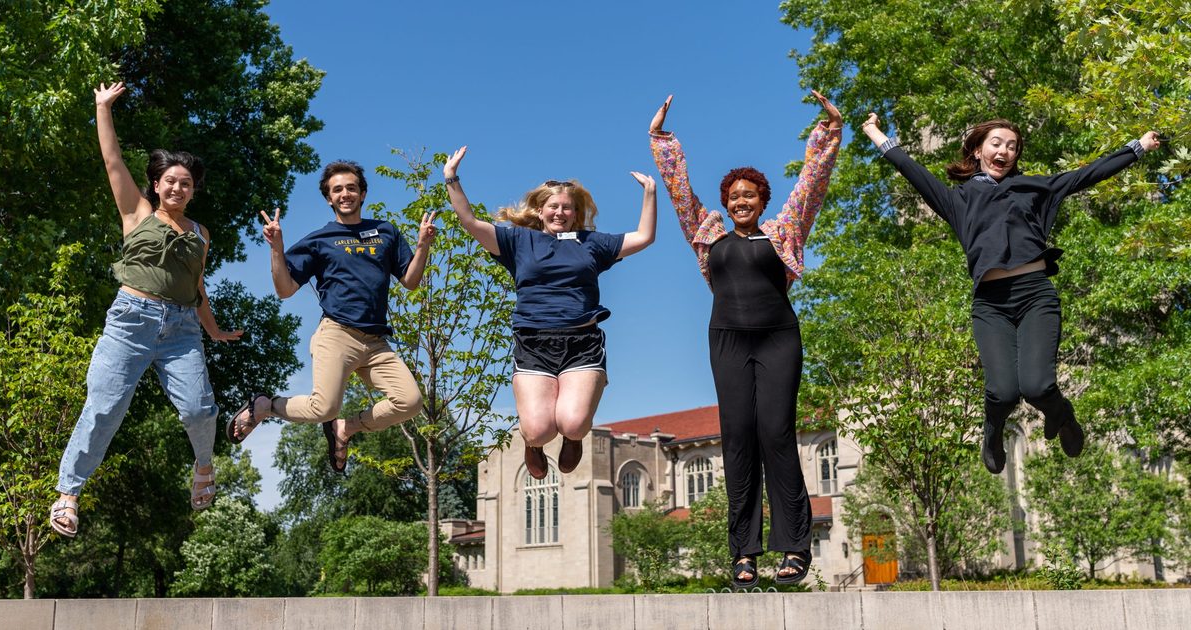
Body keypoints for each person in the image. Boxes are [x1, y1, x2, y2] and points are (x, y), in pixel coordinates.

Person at [860, 114, 1161, 475]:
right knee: (1002, 393)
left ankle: (1063, 415)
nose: (1004, 151)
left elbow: (1088, 174)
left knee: (1038, 387)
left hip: (1036, 295)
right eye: (996, 143)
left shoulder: (1033, 187)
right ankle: (992, 429)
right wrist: (874, 132)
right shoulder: (958, 199)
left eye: (1012, 146)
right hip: (991, 304)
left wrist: (1138, 147)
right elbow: (911, 168)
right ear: (977, 150)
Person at [649, 91, 842, 587]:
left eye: (750, 195)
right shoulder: (707, 233)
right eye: (735, 195)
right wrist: (662, 139)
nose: (741, 201)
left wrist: (827, 130)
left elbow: (811, 182)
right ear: (725, 202)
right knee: (737, 438)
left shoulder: (784, 232)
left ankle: (795, 546)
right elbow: (678, 189)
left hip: (778, 339)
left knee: (776, 434)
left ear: (762, 200)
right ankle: (744, 553)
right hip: (728, 341)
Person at [50, 82, 243, 538]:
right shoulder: (136, 213)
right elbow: (112, 160)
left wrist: (213, 331)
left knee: (200, 410)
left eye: (186, 183)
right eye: (170, 180)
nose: (177, 187)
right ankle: (68, 494)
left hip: (181, 330)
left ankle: (203, 467)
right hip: (130, 321)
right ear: (156, 185)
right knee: (104, 408)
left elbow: (196, 287)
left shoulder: (201, 234)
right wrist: (102, 108)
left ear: (193, 191)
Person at [442, 147, 656, 480]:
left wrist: (650, 193)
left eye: (567, 207)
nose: (560, 212)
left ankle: (573, 437)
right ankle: (534, 444)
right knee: (538, 429)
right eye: (553, 206)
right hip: (533, 344)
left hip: (582, 343)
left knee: (573, 422)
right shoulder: (518, 241)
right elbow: (469, 222)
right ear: (540, 210)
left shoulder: (591, 243)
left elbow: (644, 237)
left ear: (575, 212)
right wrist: (451, 179)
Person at [224, 160, 435, 473]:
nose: (345, 194)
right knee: (323, 408)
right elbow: (285, 289)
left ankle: (345, 427)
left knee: (410, 401)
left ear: (363, 193)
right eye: (337, 190)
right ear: (328, 198)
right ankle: (267, 405)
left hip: (376, 342)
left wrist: (422, 246)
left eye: (351, 188)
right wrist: (277, 248)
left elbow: (411, 281)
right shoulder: (320, 239)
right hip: (337, 334)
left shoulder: (386, 232)